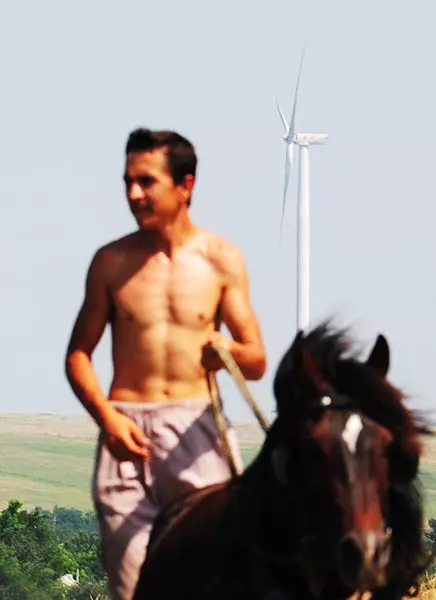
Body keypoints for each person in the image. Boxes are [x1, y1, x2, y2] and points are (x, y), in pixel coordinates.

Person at [64, 127, 268, 600]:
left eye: (146, 181)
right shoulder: (110, 262)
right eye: (127, 182)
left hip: (197, 432)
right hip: (125, 435)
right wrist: (108, 420)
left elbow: (256, 360)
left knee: (217, 580)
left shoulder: (222, 260)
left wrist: (227, 352)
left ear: (186, 185)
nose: (134, 193)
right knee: (133, 586)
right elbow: (78, 355)